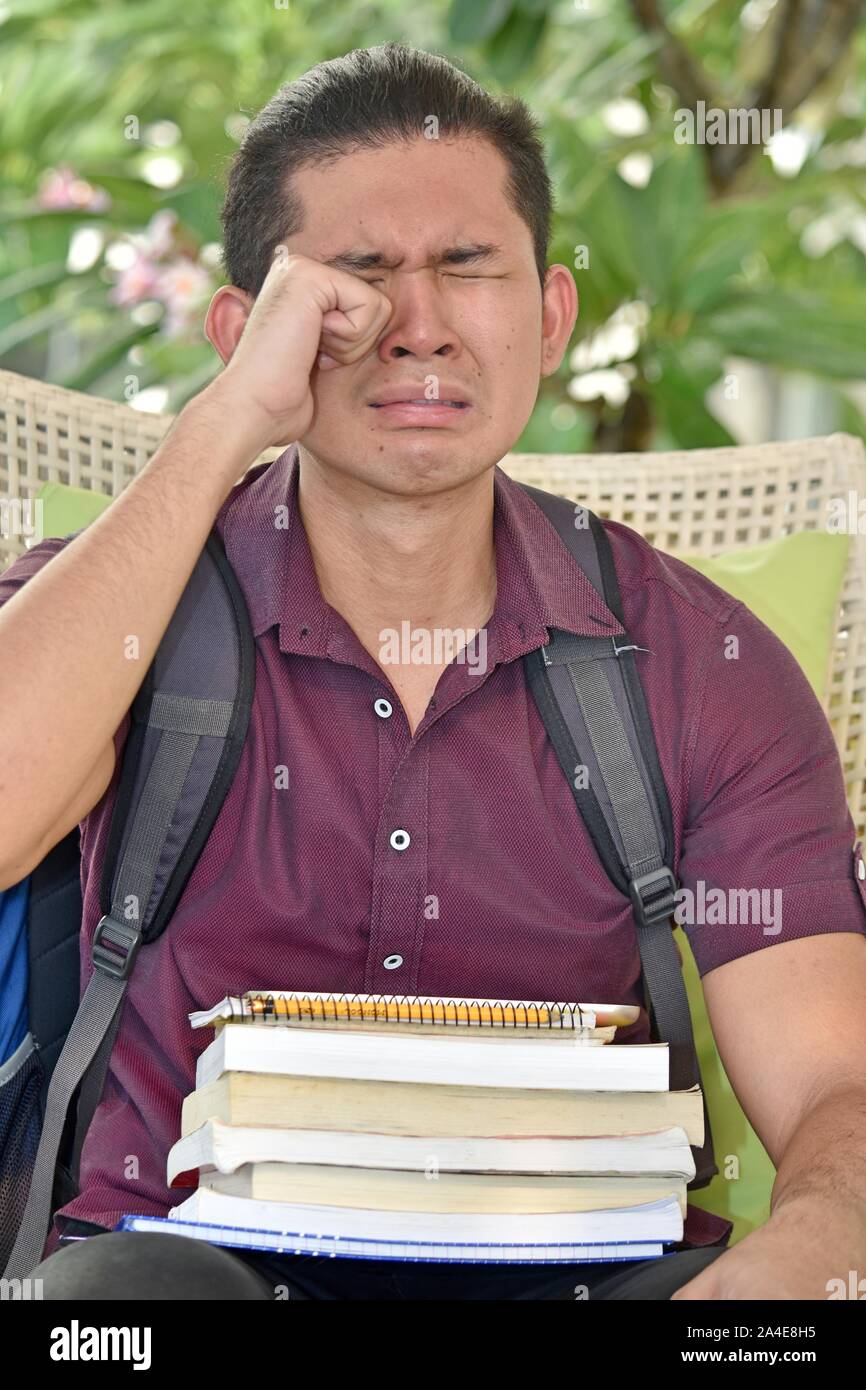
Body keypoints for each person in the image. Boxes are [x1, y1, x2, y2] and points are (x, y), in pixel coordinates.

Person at [1, 42, 865, 1302]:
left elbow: (834, 1084)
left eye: (467, 268)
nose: (417, 329)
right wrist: (226, 422)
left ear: (551, 316)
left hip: (592, 1282)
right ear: (250, 333)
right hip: (174, 1276)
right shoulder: (118, 604)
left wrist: (798, 1255)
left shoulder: (704, 664)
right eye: (351, 282)